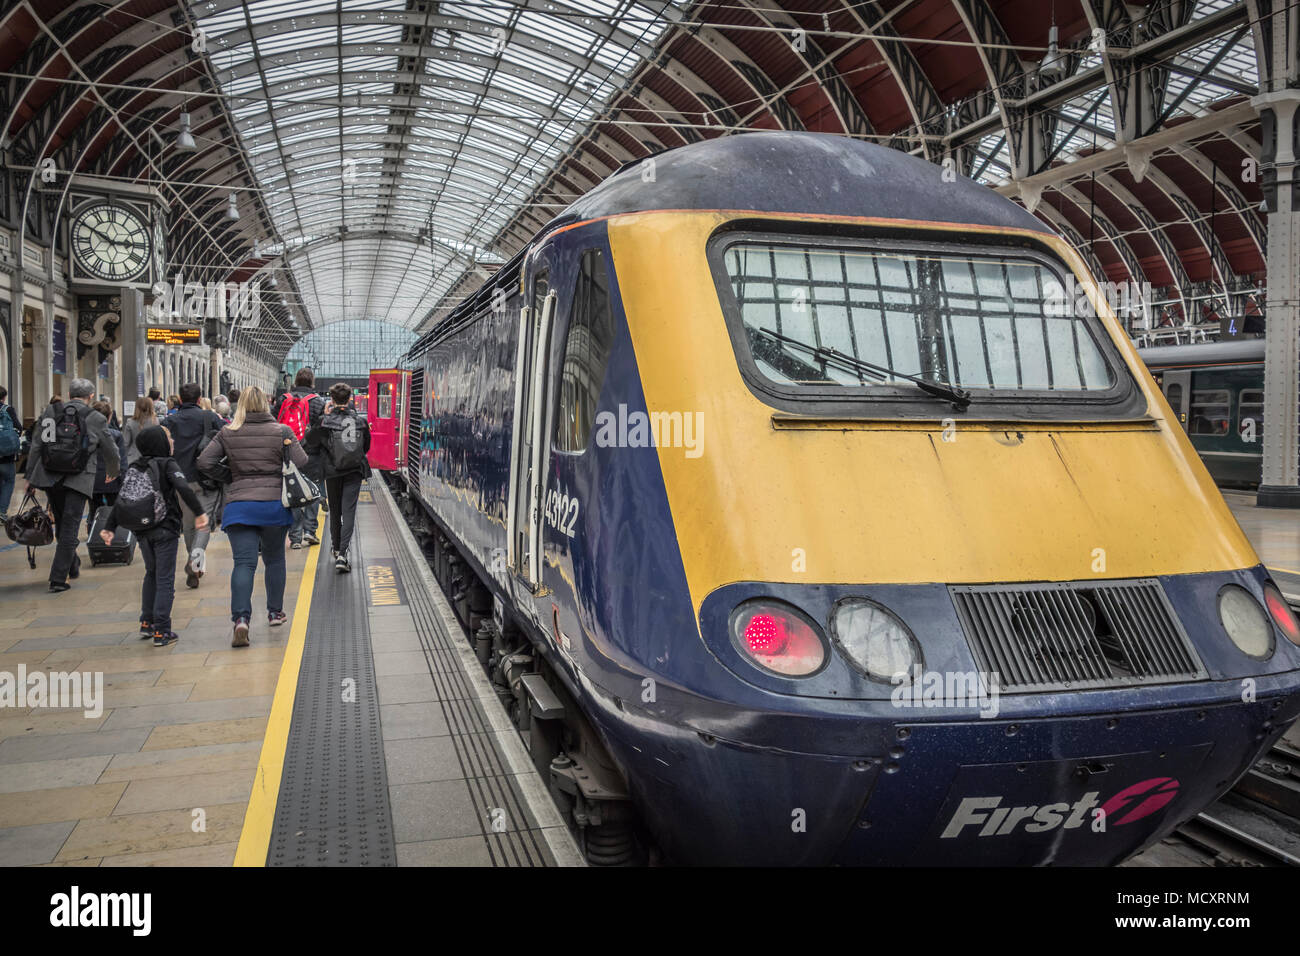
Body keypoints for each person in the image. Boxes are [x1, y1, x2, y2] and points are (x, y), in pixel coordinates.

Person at [198, 387, 308, 647]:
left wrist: (232, 478)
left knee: (244, 564)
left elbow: (204, 462)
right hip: (273, 505)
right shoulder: (282, 431)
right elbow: (301, 461)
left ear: (241, 405)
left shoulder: (228, 432)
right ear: (268, 405)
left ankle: (241, 620)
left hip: (240, 506)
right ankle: (274, 613)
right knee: (274, 560)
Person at [100, 426, 208, 647]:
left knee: (151, 573)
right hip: (165, 528)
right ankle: (162, 629)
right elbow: (183, 488)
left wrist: (109, 526)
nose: (172, 441)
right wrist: (199, 512)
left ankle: (146, 622)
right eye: (169, 437)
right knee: (165, 579)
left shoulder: (135, 466)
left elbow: (123, 498)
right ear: (160, 442)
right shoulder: (168, 464)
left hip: (142, 530)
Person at [27, 378, 120, 592]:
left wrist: (31, 476)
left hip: (51, 475)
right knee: (69, 526)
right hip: (79, 478)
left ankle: (72, 564)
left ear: (69, 394)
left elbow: (38, 444)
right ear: (91, 397)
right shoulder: (95, 417)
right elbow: (110, 449)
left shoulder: (51, 411)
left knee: (61, 522)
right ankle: (58, 578)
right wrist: (113, 472)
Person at [162, 383, 225, 589]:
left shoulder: (169, 421)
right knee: (204, 523)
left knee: (188, 524)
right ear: (199, 399)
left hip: (180, 480)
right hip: (206, 479)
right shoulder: (211, 418)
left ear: (180, 400)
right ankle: (194, 563)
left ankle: (194, 562)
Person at [305, 383, 371, 573]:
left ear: (332, 400)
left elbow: (310, 441)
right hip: (354, 471)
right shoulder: (360, 421)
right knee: (348, 511)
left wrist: (323, 417)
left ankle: (335, 548)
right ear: (350, 398)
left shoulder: (325, 421)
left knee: (335, 511)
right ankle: (343, 555)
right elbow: (366, 446)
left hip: (332, 470)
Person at [272, 367, 325, 550]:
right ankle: (310, 531)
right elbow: (323, 429)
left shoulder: (283, 399)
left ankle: (294, 537)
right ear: (312, 382)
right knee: (313, 490)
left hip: (287, 452)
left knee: (291, 491)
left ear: (295, 381)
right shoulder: (318, 401)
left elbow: (273, 424)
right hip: (311, 454)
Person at [86, 400, 126, 533]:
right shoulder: (116, 435)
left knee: (94, 509)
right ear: (109, 418)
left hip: (92, 479)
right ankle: (114, 535)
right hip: (112, 480)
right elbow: (122, 460)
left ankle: (93, 533)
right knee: (113, 509)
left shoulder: (87, 435)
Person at [0, 386, 21, 516]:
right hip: (7, 456)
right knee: (8, 481)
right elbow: (18, 427)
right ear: (4, 397)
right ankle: (1, 512)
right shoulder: (7, 409)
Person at [122, 396, 159, 465]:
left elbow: (125, 443)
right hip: (151, 459)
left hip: (133, 458)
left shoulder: (130, 422)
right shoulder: (155, 422)